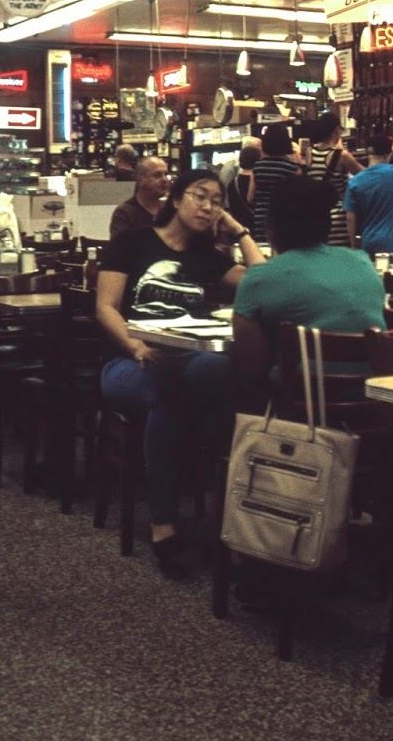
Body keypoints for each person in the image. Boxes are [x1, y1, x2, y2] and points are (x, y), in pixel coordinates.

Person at [95, 171, 265, 577]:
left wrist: (239, 230)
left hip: (188, 357)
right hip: (128, 362)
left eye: (217, 202)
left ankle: (231, 504)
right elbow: (106, 307)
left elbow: (262, 282)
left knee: (224, 370)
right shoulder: (132, 243)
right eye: (200, 197)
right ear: (175, 199)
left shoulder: (208, 256)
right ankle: (164, 524)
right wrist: (133, 345)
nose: (208, 208)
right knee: (166, 393)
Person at [232, 175, 388, 399]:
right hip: (371, 404)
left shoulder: (259, 278)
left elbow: (252, 374)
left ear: (272, 225)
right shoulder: (362, 262)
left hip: (305, 410)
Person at [305, 112, 361, 246]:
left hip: (315, 213)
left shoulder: (309, 152)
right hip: (338, 217)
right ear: (336, 130)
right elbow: (363, 175)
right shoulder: (342, 156)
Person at [250, 124, 301, 242]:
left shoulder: (257, 167)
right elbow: (298, 198)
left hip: (261, 218)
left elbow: (250, 198)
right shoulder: (292, 168)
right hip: (285, 218)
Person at [109, 154, 170, 239]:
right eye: (157, 175)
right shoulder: (124, 214)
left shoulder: (169, 211)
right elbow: (120, 250)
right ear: (140, 180)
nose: (164, 180)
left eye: (166, 174)